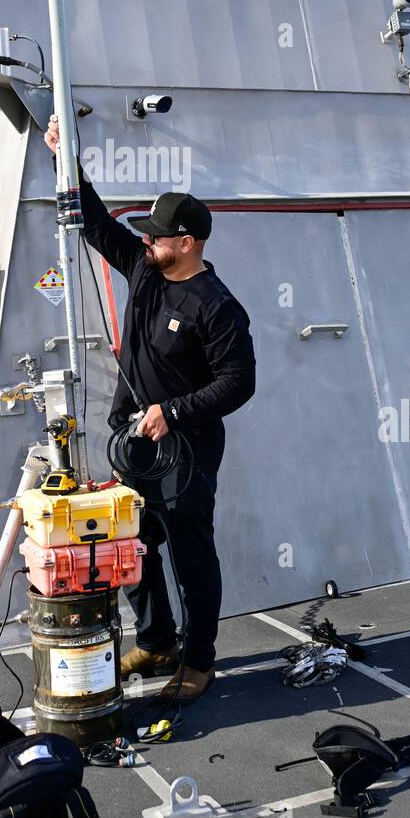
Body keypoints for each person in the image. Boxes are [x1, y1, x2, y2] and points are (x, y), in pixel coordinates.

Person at [44, 115, 256, 702]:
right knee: (130, 546)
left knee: (191, 558)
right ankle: (157, 638)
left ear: (186, 244)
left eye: (158, 236)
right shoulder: (144, 267)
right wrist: (68, 157)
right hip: (135, 438)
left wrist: (175, 411)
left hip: (185, 451)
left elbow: (240, 383)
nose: (146, 242)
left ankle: (199, 662)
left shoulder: (217, 307)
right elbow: (94, 223)